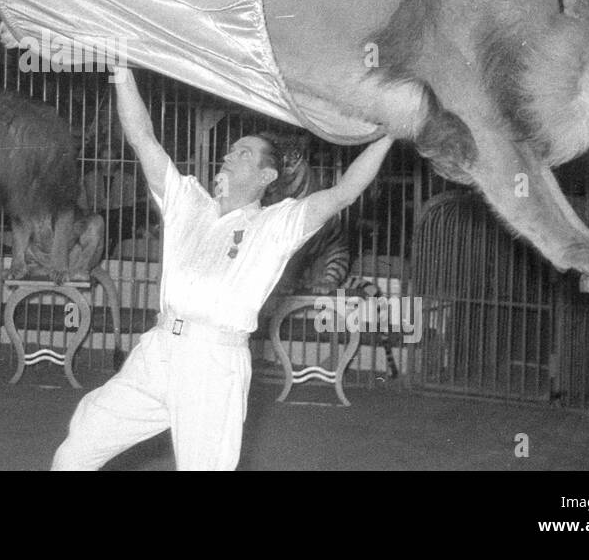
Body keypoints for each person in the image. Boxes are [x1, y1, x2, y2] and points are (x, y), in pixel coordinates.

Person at [51, 67, 395, 471]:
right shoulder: (188, 202)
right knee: (77, 449)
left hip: (212, 363)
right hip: (158, 350)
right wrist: (121, 66)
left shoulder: (276, 225)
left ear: (267, 176)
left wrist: (390, 133)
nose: (229, 155)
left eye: (244, 153)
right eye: (231, 149)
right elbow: (142, 137)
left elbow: (344, 192)